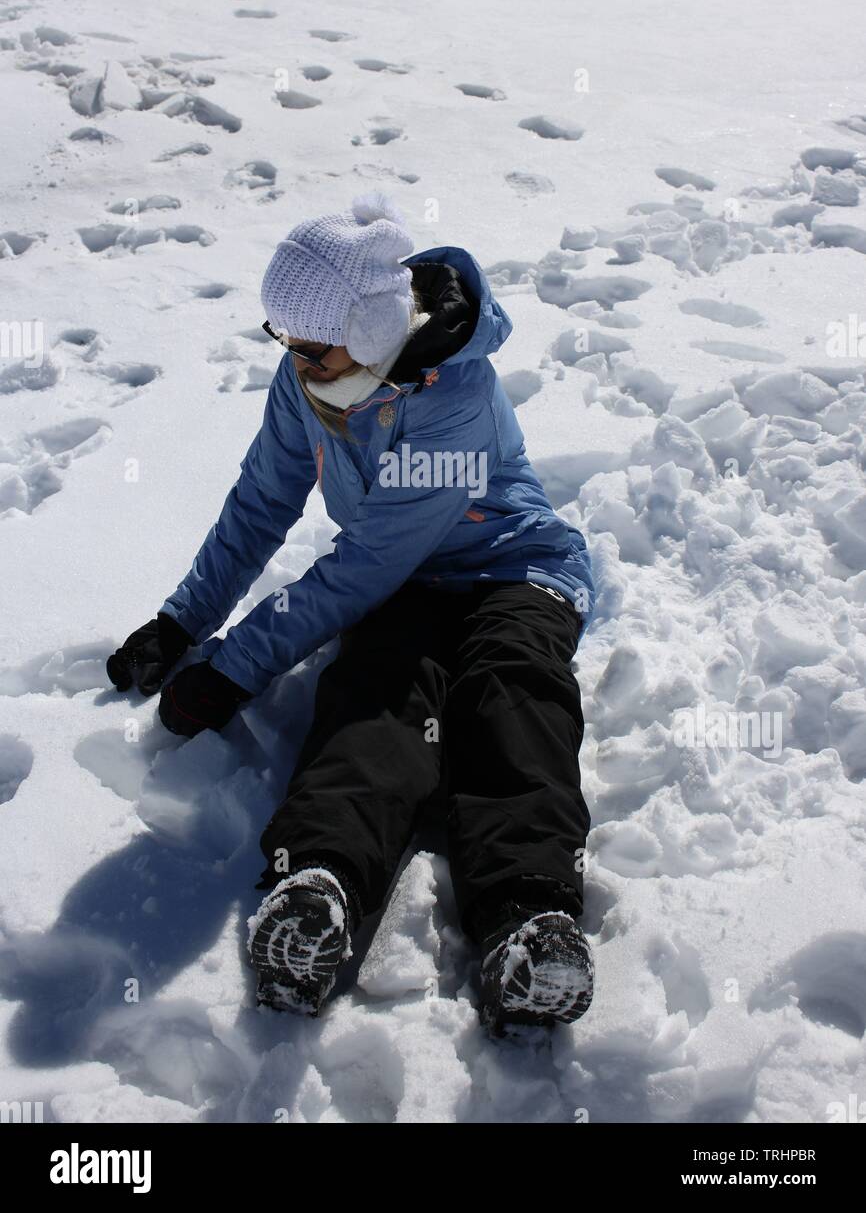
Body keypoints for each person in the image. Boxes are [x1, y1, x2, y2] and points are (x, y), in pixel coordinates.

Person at [107, 193, 597, 1033]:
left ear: (372, 332)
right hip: (399, 581)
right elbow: (264, 498)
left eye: (311, 347)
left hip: (509, 571)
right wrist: (182, 624)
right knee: (373, 694)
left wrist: (234, 668)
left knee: (511, 690)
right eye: (282, 342)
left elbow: (360, 568)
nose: (294, 362)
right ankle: (320, 882)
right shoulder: (315, 372)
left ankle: (527, 912)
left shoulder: (458, 406)